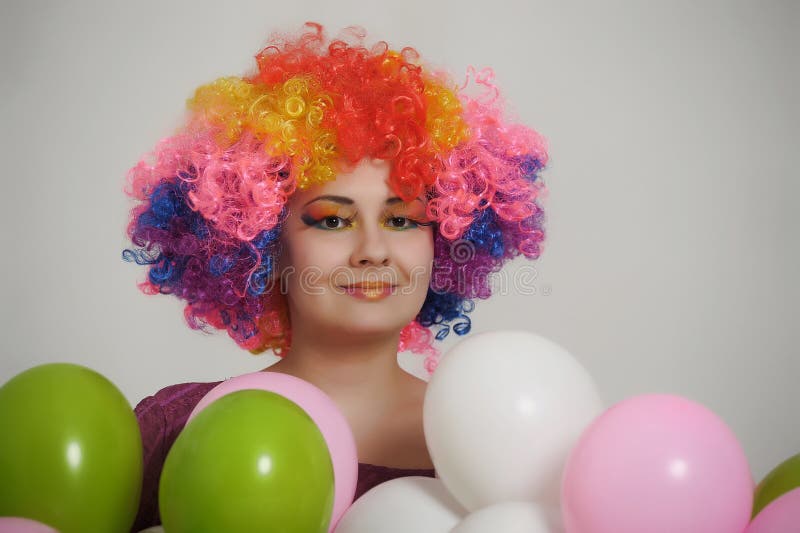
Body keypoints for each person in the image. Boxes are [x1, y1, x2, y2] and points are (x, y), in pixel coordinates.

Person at [124, 22, 547, 531]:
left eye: (401, 219)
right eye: (332, 220)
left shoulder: (495, 450)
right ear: (264, 246)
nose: (372, 250)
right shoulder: (175, 429)